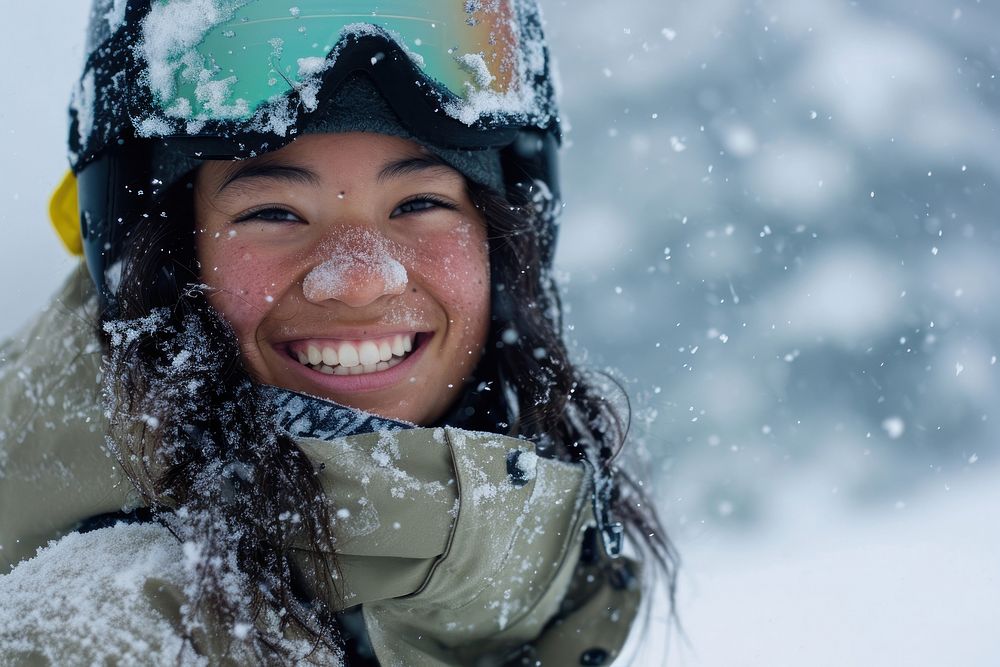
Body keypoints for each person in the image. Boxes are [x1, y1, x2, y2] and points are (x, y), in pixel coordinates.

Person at [0, 1, 676, 664]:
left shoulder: (512, 586)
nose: (359, 279)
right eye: (275, 212)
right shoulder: (104, 635)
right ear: (166, 262)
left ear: (503, 245)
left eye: (420, 203)